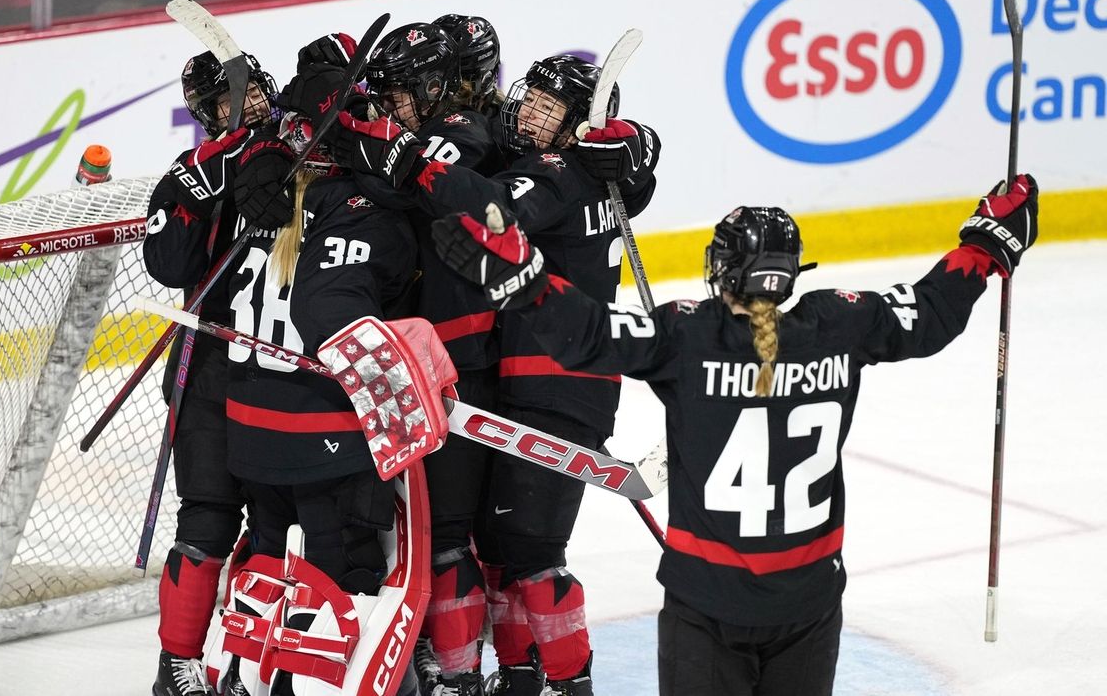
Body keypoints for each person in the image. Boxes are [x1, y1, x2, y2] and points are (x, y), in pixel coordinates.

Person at [429, 176, 1040, 695]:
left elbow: (585, 334)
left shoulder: (689, 337)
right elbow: (931, 315)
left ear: (721, 268)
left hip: (708, 605)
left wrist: (522, 277)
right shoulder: (840, 324)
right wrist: (987, 242)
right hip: (809, 602)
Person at [337, 54, 662, 695]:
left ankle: (563, 684)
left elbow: (495, 212)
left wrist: (410, 161)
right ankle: (517, 678)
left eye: (551, 107)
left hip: (553, 382)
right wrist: (638, 144)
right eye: (532, 99)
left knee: (531, 552)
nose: (533, 113)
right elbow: (630, 168)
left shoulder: (558, 169)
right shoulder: (598, 169)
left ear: (580, 125)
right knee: (510, 546)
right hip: (557, 381)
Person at [205, 52, 425, 696]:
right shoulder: (365, 210)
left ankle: (249, 676)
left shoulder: (256, 199)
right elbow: (373, 291)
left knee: (270, 561)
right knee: (342, 576)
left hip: (248, 430)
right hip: (324, 429)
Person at [349, 21, 507, 696]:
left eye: (400, 91)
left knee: (442, 530)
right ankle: (441, 654)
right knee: (416, 524)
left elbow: (396, 183)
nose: (392, 104)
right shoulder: (442, 126)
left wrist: (347, 134)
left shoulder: (466, 133)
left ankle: (456, 668)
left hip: (456, 361)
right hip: (415, 355)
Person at [142, 48, 289, 696]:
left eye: (255, 90)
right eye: (231, 100)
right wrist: (211, 179)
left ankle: (245, 662)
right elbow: (167, 263)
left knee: (275, 523)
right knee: (207, 516)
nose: (249, 105)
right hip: (209, 365)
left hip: (284, 362)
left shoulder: (302, 151)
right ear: (206, 116)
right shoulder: (191, 172)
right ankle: (177, 666)